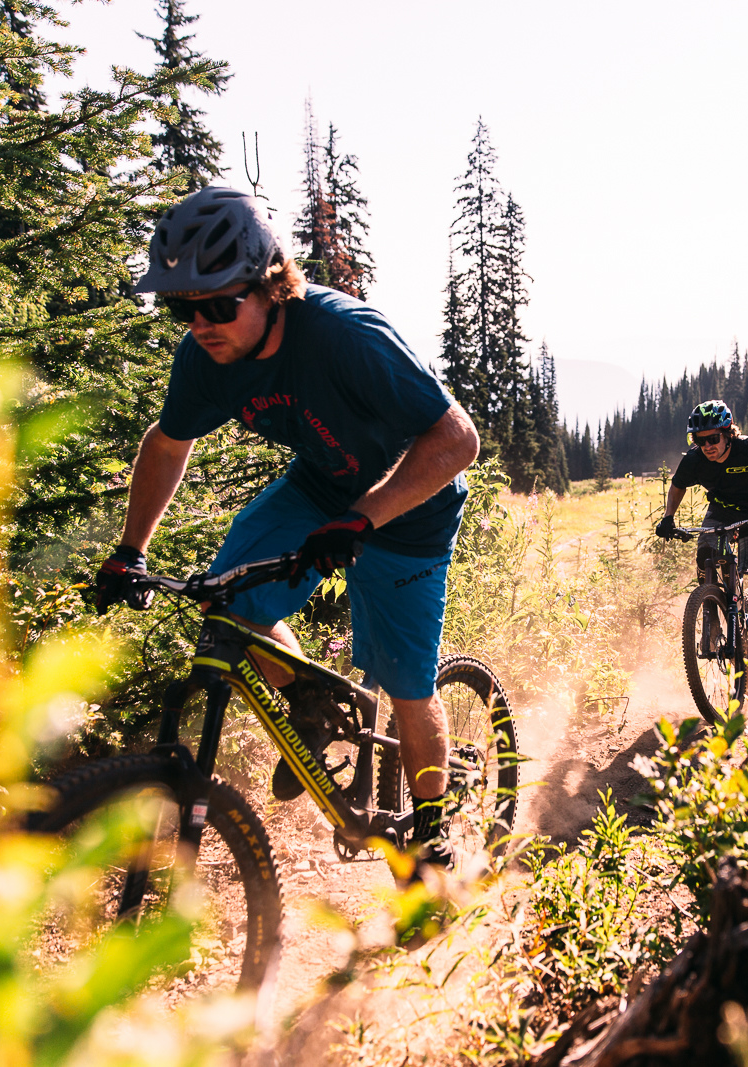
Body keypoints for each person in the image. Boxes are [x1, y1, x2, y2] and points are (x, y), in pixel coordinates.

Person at [94, 186, 479, 862]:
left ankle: (433, 831)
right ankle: (314, 700)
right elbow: (166, 443)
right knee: (227, 597)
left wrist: (365, 517)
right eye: (184, 309)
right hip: (323, 485)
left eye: (218, 303)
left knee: (408, 684)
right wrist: (130, 548)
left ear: (272, 285)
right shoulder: (206, 360)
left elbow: (457, 440)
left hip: (412, 504)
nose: (201, 323)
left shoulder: (344, 336)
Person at [654, 400, 748, 616]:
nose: (707, 446)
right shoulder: (695, 459)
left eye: (713, 438)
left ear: (728, 434)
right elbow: (678, 485)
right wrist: (668, 517)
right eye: (700, 440)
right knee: (705, 556)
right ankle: (711, 611)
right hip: (721, 511)